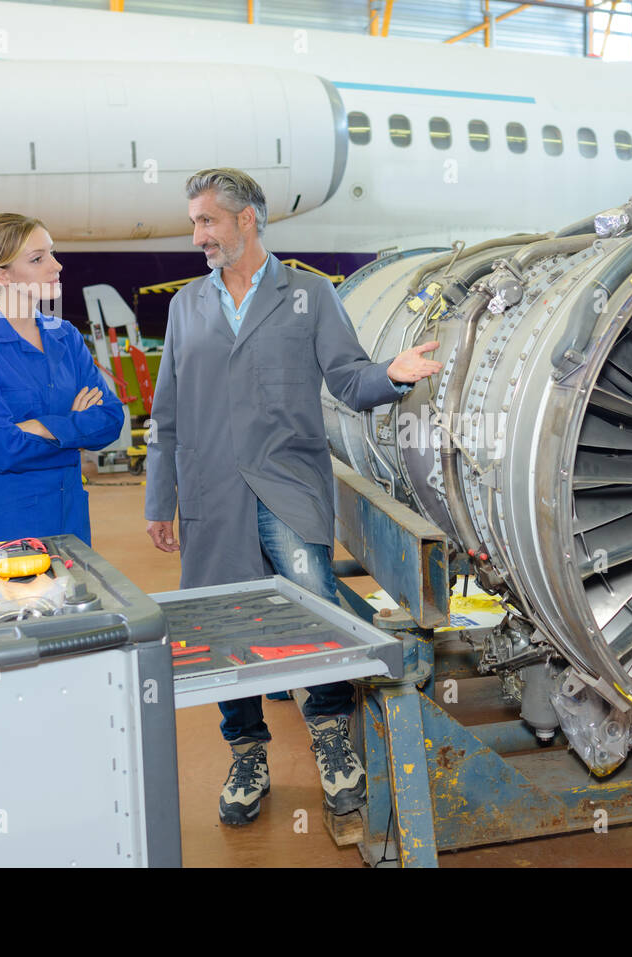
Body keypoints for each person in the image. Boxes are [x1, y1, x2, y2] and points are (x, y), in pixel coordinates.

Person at [145, 168, 442, 826]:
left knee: (315, 618)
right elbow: (166, 413)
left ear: (246, 219)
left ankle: (332, 736)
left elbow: (346, 375)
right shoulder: (186, 305)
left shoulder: (310, 295)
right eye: (194, 221)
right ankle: (247, 751)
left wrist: (389, 374)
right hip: (210, 494)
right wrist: (157, 498)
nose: (197, 234)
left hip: (287, 489)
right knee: (224, 627)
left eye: (207, 221)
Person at [0, 214, 124, 545]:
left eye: (52, 252)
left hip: (71, 519)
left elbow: (110, 420)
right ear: (2, 275)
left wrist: (37, 428)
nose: (56, 266)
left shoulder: (66, 336)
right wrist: (73, 426)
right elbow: (1, 447)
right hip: (12, 527)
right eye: (38, 259)